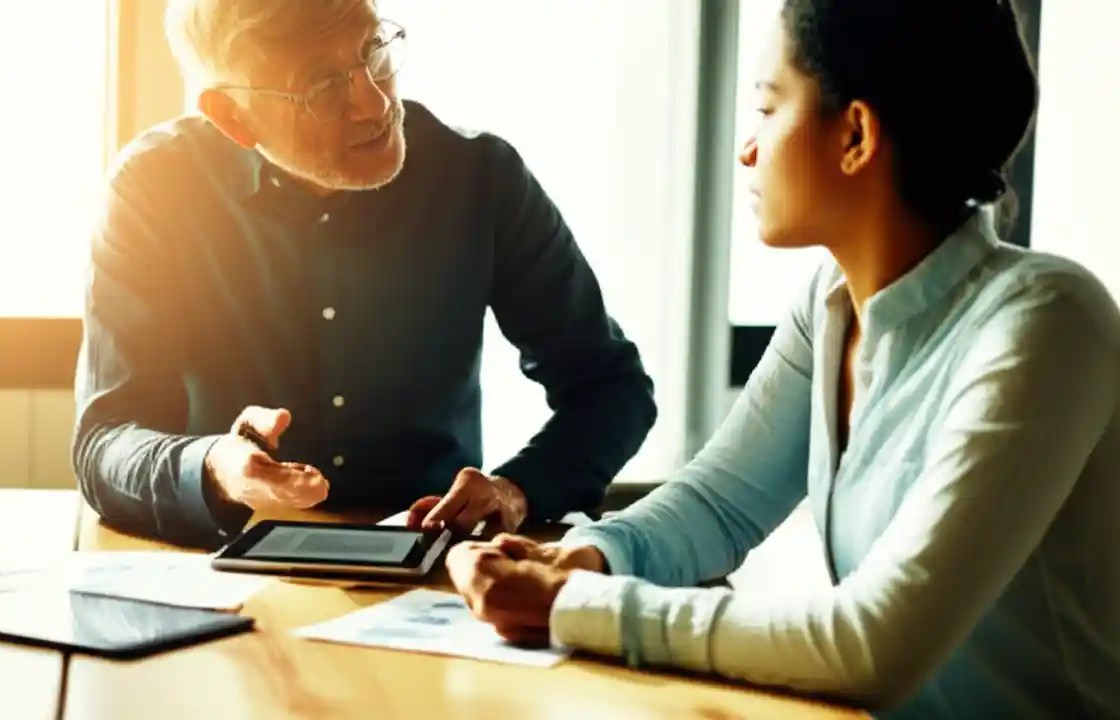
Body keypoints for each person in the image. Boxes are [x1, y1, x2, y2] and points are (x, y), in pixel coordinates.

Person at [446, 1, 1120, 716]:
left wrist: (574, 604)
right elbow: (717, 505)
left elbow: (868, 647)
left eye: (768, 108)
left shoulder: (1047, 323)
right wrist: (587, 556)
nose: (746, 149)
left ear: (855, 135)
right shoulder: (831, 305)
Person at [70, 0, 656, 550]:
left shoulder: (480, 178)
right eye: (322, 87)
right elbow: (106, 442)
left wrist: (518, 489)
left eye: (373, 50)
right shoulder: (152, 190)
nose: (374, 103)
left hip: (428, 581)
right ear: (232, 117)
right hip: (217, 577)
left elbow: (612, 390)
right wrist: (214, 470)